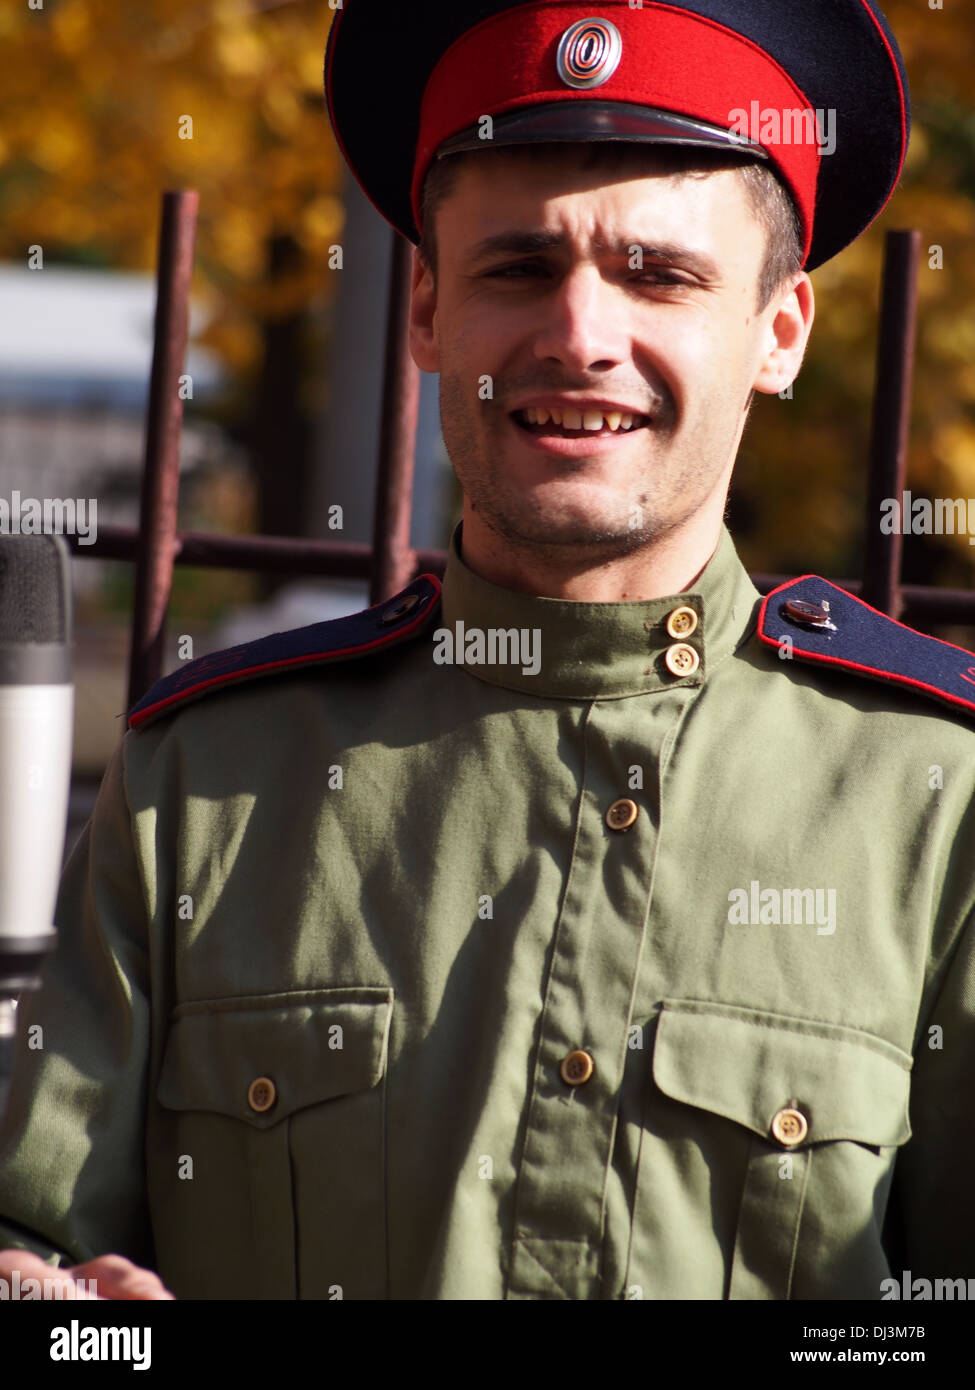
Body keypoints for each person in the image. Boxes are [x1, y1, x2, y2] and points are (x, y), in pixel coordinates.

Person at [1, 0, 973, 1302]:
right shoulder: (208, 778)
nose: (580, 333)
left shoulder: (937, 797)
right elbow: (46, 1267)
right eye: (518, 268)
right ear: (425, 306)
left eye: (658, 274)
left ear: (780, 332)